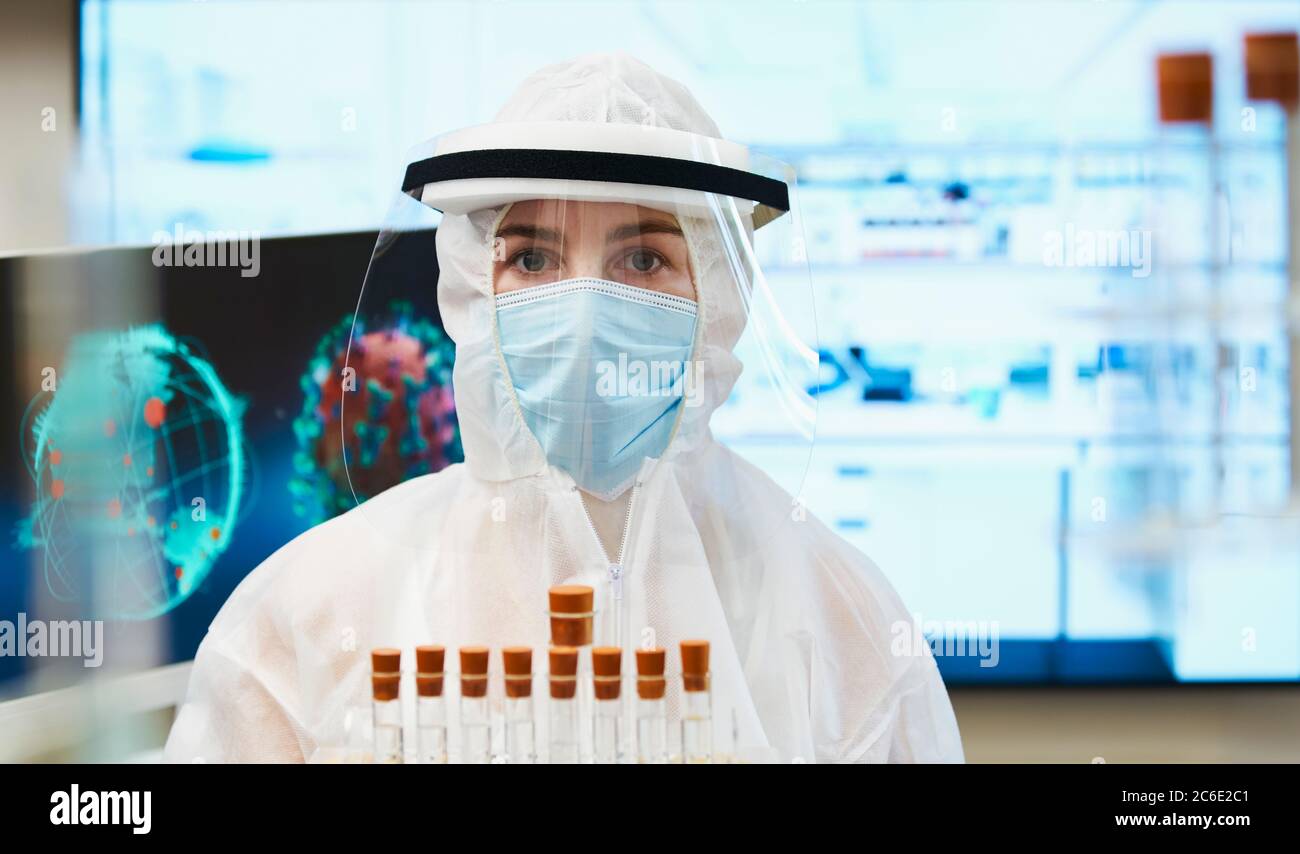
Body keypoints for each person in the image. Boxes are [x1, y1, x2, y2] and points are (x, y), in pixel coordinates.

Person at [164, 52, 964, 763]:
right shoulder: (306, 619)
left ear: (719, 293)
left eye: (644, 257)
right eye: (534, 257)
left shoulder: (843, 629)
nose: (584, 312)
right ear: (475, 285)